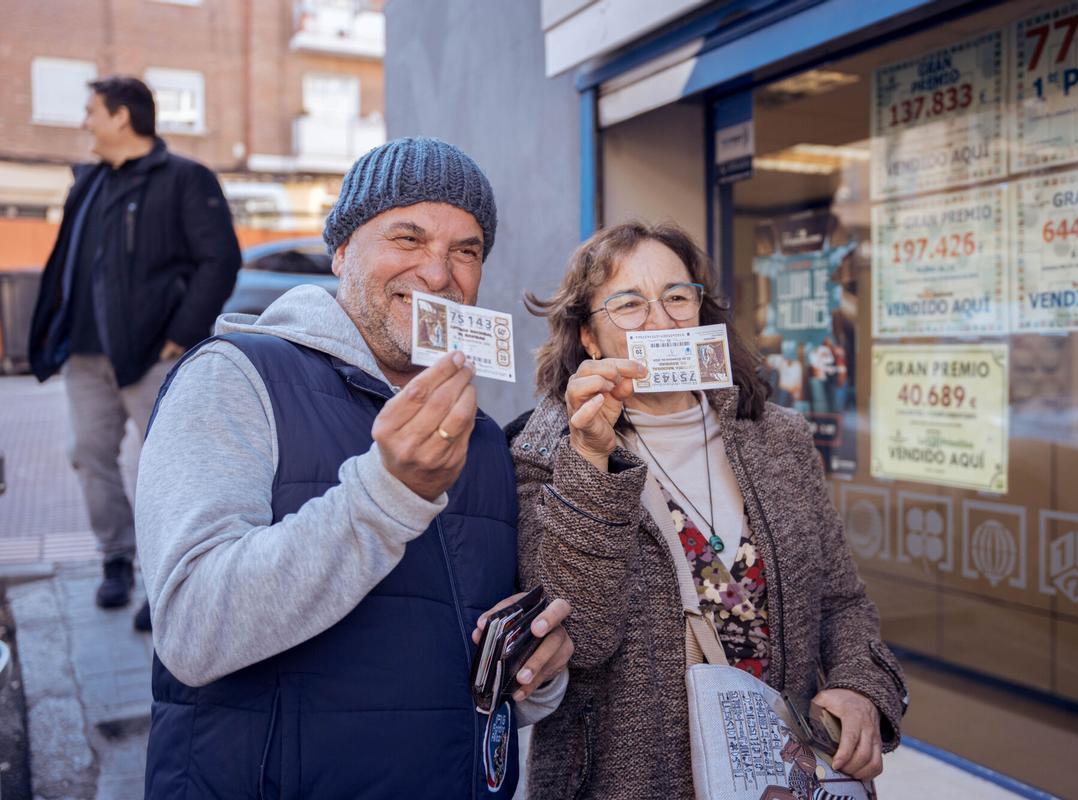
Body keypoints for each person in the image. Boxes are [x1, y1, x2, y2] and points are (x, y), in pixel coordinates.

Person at [134, 137, 571, 799]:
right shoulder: (234, 378)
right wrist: (387, 494)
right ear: (340, 250)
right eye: (407, 238)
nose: (437, 274)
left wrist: (534, 671)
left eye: (467, 250)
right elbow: (193, 632)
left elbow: (460, 659)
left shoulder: (481, 438)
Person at [512, 221, 908, 799]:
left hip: (780, 777)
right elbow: (583, 639)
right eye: (629, 304)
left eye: (677, 297)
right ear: (589, 338)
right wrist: (592, 459)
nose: (660, 321)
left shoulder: (779, 438)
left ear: (700, 313)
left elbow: (842, 603)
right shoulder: (545, 456)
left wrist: (859, 687)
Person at [27, 76, 241, 627]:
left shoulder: (186, 178)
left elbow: (220, 259)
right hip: (84, 356)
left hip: (154, 356)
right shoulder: (88, 183)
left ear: (121, 116)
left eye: (91, 111)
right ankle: (116, 558)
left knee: (171, 468)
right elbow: (66, 263)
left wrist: (182, 333)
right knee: (87, 453)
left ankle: (167, 576)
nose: (85, 122)